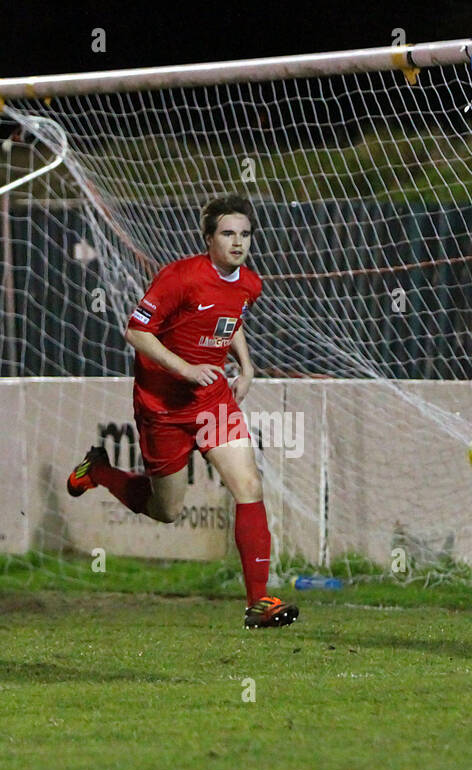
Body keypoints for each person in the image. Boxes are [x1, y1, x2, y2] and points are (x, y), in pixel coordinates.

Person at [66, 195, 298, 629]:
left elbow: (231, 320)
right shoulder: (179, 277)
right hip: (162, 407)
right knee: (166, 509)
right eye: (228, 233)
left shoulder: (249, 282)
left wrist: (246, 367)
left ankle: (259, 602)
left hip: (212, 401)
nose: (238, 242)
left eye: (245, 234)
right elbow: (136, 332)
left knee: (248, 484)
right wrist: (186, 369)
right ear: (208, 237)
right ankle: (99, 472)